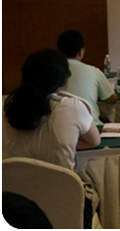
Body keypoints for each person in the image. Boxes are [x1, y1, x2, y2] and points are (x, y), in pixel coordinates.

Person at [3, 49, 101, 228]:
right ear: (63, 81)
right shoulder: (72, 106)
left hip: (11, 207)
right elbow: (94, 141)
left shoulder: (5, 106)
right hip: (64, 204)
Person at [57, 30, 117, 125]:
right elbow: (112, 99)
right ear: (81, 52)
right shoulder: (94, 71)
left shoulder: (50, 73)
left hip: (58, 128)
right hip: (91, 127)